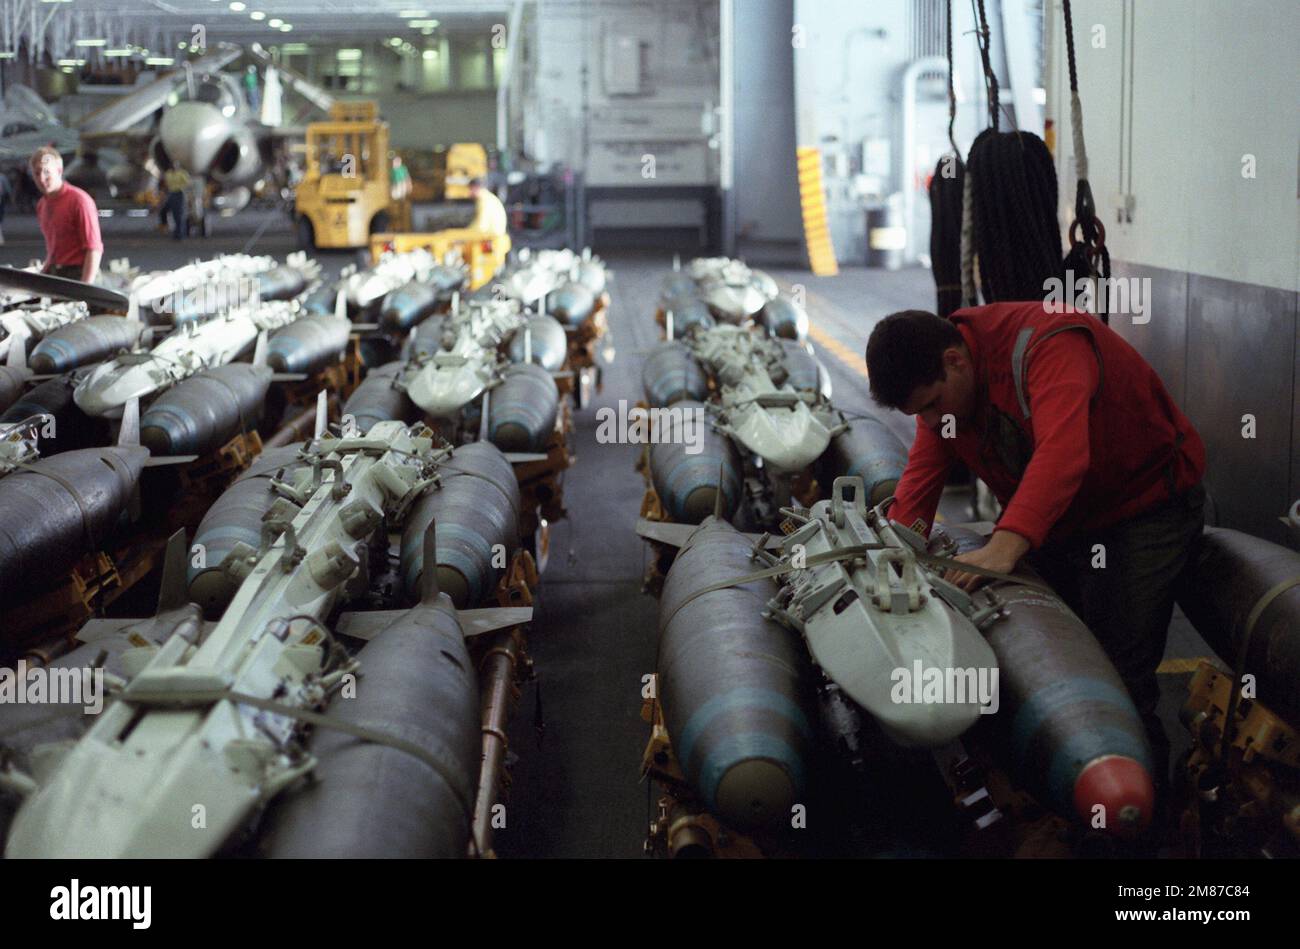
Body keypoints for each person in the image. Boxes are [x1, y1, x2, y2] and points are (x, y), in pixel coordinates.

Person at [864, 303, 1206, 799]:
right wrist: (893, 554)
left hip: (1145, 508)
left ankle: (1136, 824)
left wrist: (1006, 544)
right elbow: (921, 477)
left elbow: (1063, 453)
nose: (934, 420)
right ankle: (1049, 802)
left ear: (955, 361)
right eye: (922, 414)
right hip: (1066, 518)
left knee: (1113, 672)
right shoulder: (945, 403)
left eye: (935, 404)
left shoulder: (1049, 345)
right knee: (1036, 653)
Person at [30, 145, 103, 283]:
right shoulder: (42, 205)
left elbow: (94, 249)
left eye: (46, 172)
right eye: (37, 173)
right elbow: (53, 249)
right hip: (56, 273)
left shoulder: (79, 201)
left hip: (79, 274)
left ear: (59, 171)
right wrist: (43, 273)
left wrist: (85, 288)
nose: (41, 178)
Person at [160, 165, 192, 240]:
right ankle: (166, 226)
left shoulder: (182, 173)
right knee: (164, 211)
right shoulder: (168, 174)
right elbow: (165, 183)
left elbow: (188, 183)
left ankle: (179, 234)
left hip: (179, 193)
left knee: (178, 215)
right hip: (171, 193)